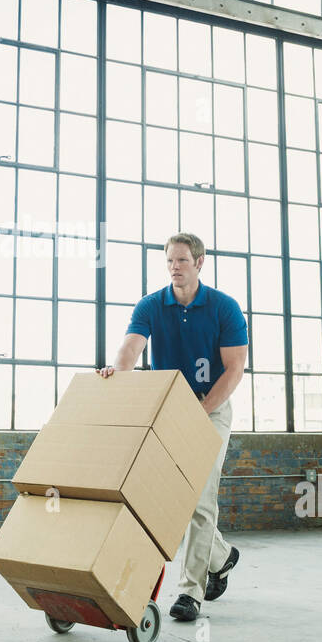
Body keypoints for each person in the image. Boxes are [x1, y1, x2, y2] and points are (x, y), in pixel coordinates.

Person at [97, 232, 248, 622]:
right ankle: (221, 555)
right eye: (169, 261)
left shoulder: (224, 308)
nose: (174, 268)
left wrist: (203, 410)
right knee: (167, 496)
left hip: (210, 409)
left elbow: (233, 370)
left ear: (200, 262)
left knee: (199, 496)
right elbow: (131, 347)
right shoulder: (152, 305)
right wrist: (118, 371)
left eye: (181, 261)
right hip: (166, 409)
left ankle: (190, 593)